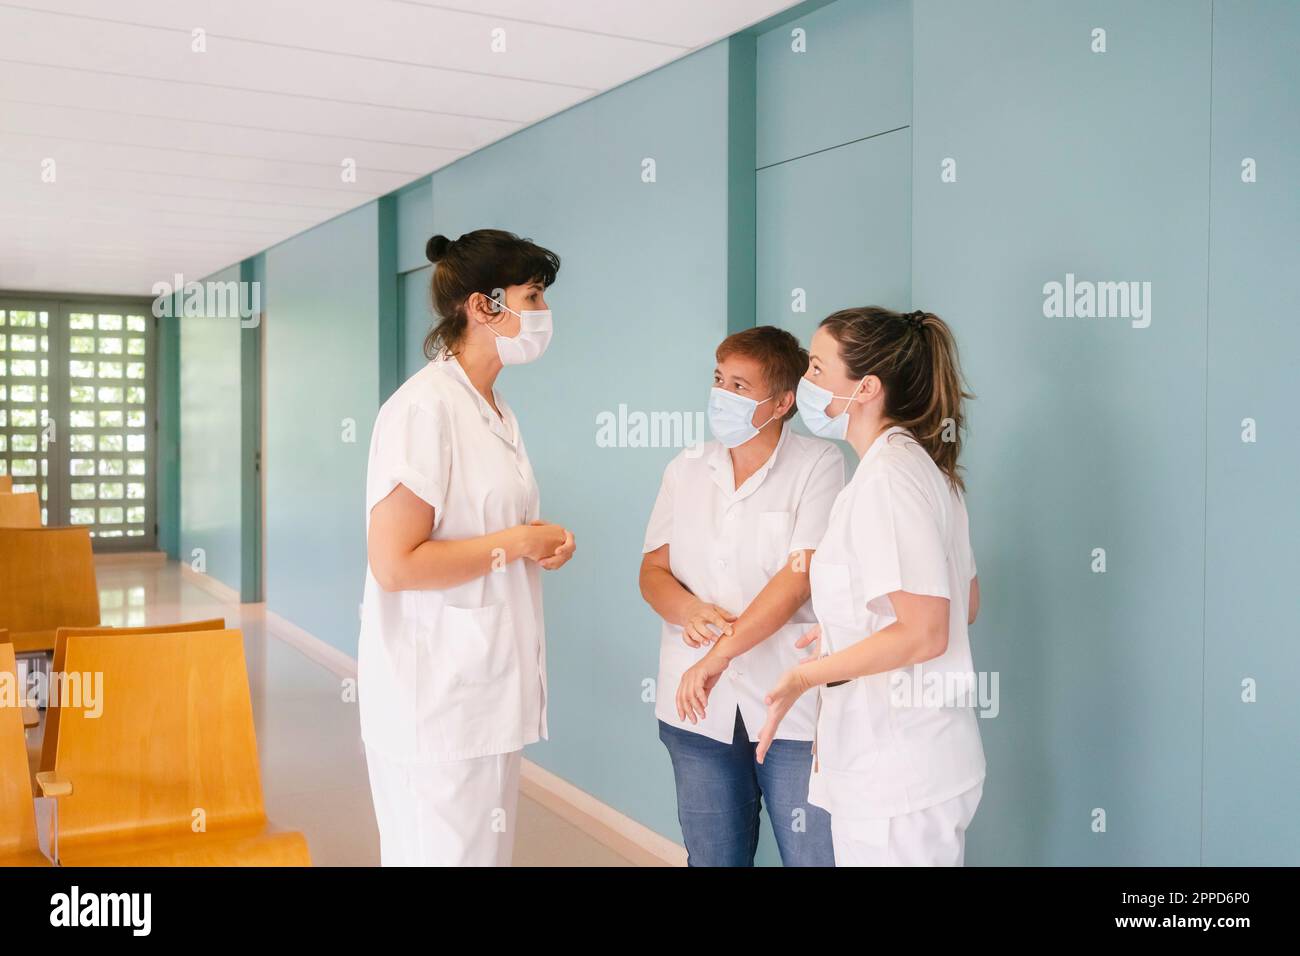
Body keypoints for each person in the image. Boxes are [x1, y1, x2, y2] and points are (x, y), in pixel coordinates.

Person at [358, 229, 576, 866]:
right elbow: (395, 564)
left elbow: (484, 533)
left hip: (482, 687)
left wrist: (540, 543)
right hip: (437, 696)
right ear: (484, 307)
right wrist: (515, 541)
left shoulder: (494, 408)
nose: (542, 314)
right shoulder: (423, 410)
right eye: (532, 296)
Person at [756, 307, 987, 867]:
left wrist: (807, 675)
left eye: (815, 368)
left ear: (866, 388)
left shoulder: (887, 480)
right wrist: (844, 633)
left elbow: (928, 631)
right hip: (915, 765)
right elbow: (966, 604)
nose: (804, 383)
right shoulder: (922, 467)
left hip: (898, 778)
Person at [639, 326, 845, 866]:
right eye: (718, 379)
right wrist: (688, 609)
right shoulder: (685, 468)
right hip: (696, 708)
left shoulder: (818, 464)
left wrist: (718, 653)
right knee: (714, 860)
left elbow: (798, 577)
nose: (722, 395)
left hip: (788, 702)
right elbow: (653, 571)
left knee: (813, 856)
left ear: (783, 401)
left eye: (740, 385)